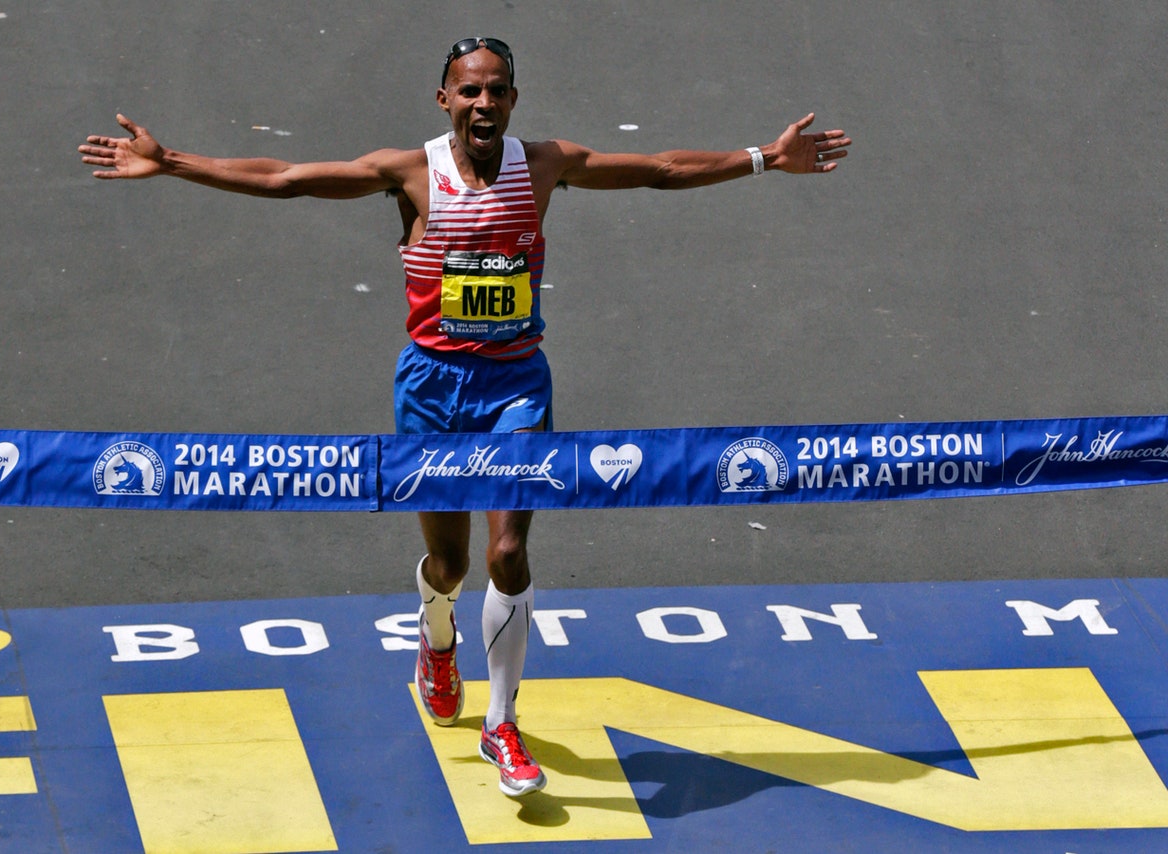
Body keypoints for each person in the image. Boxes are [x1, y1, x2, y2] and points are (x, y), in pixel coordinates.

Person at [79, 36, 850, 798]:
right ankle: (435, 631)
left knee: (507, 553)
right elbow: (286, 177)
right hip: (431, 389)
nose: (484, 104)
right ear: (445, 99)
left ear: (514, 99)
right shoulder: (410, 172)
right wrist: (172, 160)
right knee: (448, 566)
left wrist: (765, 158)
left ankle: (502, 722)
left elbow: (659, 170)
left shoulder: (543, 164)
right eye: (469, 91)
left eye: (497, 91)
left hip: (516, 385)